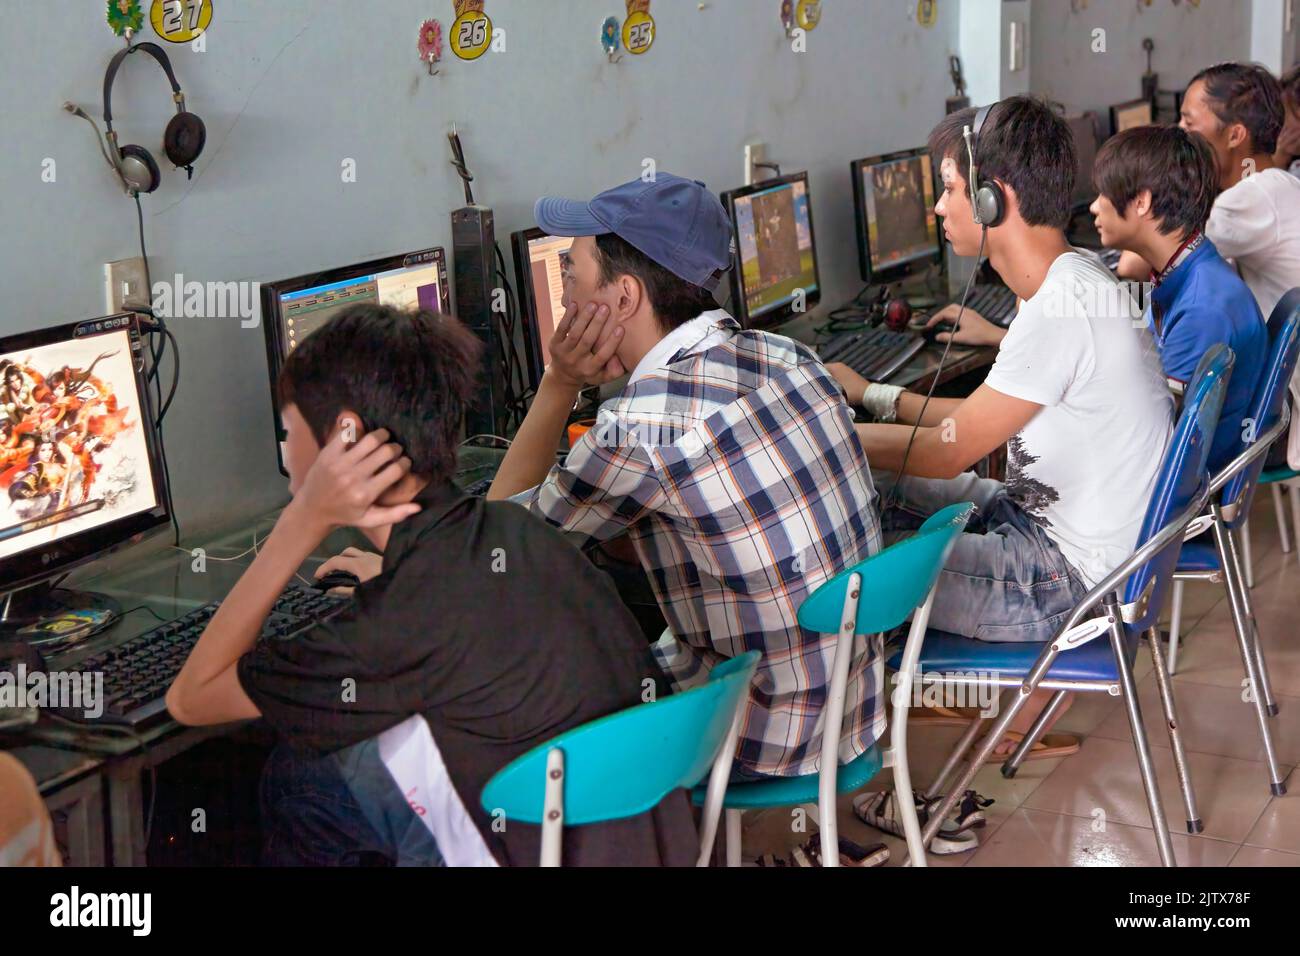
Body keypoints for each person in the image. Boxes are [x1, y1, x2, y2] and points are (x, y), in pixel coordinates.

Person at [166, 304, 696, 867]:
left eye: (289, 430)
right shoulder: (519, 531)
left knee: (295, 780)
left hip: (536, 849)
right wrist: (395, 577)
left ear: (343, 439)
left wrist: (302, 521)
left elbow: (191, 698)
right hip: (644, 842)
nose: (284, 449)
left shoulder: (394, 625)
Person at [488, 173, 885, 784]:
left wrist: (559, 383)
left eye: (570, 272)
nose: (564, 296)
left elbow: (497, 551)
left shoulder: (638, 429)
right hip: (848, 710)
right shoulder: (789, 356)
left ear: (623, 298)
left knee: (516, 673)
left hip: (756, 735)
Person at [826, 96, 1174, 775]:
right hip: (1054, 536)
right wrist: (867, 407)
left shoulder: (1063, 307)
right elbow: (961, 428)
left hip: (1059, 582)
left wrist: (831, 434)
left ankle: (853, 757)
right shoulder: (1073, 279)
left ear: (993, 199)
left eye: (950, 190)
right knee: (877, 491)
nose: (938, 210)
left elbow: (950, 442)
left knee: (844, 568)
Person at [1090, 124, 1267, 471]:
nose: (1094, 208)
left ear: (1142, 202)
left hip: (1178, 488)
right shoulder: (1191, 269)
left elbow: (1160, 436)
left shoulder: (1204, 310)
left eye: (1103, 194)